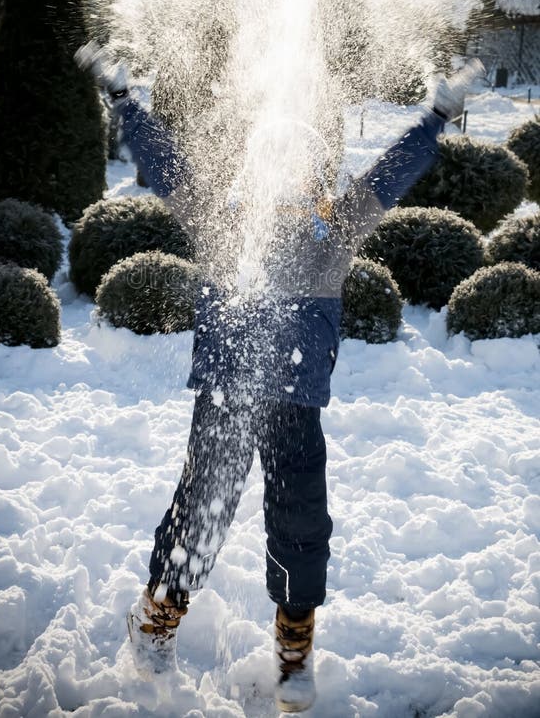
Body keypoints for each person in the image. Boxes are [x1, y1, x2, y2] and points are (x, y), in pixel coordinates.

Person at [76, 43, 482, 713]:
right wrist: (123, 102)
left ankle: (264, 651)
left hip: (264, 403)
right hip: (253, 402)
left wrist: (436, 115)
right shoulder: (267, 226)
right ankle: (189, 631)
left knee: (254, 519)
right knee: (236, 518)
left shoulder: (301, 227)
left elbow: (389, 171)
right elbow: (169, 164)